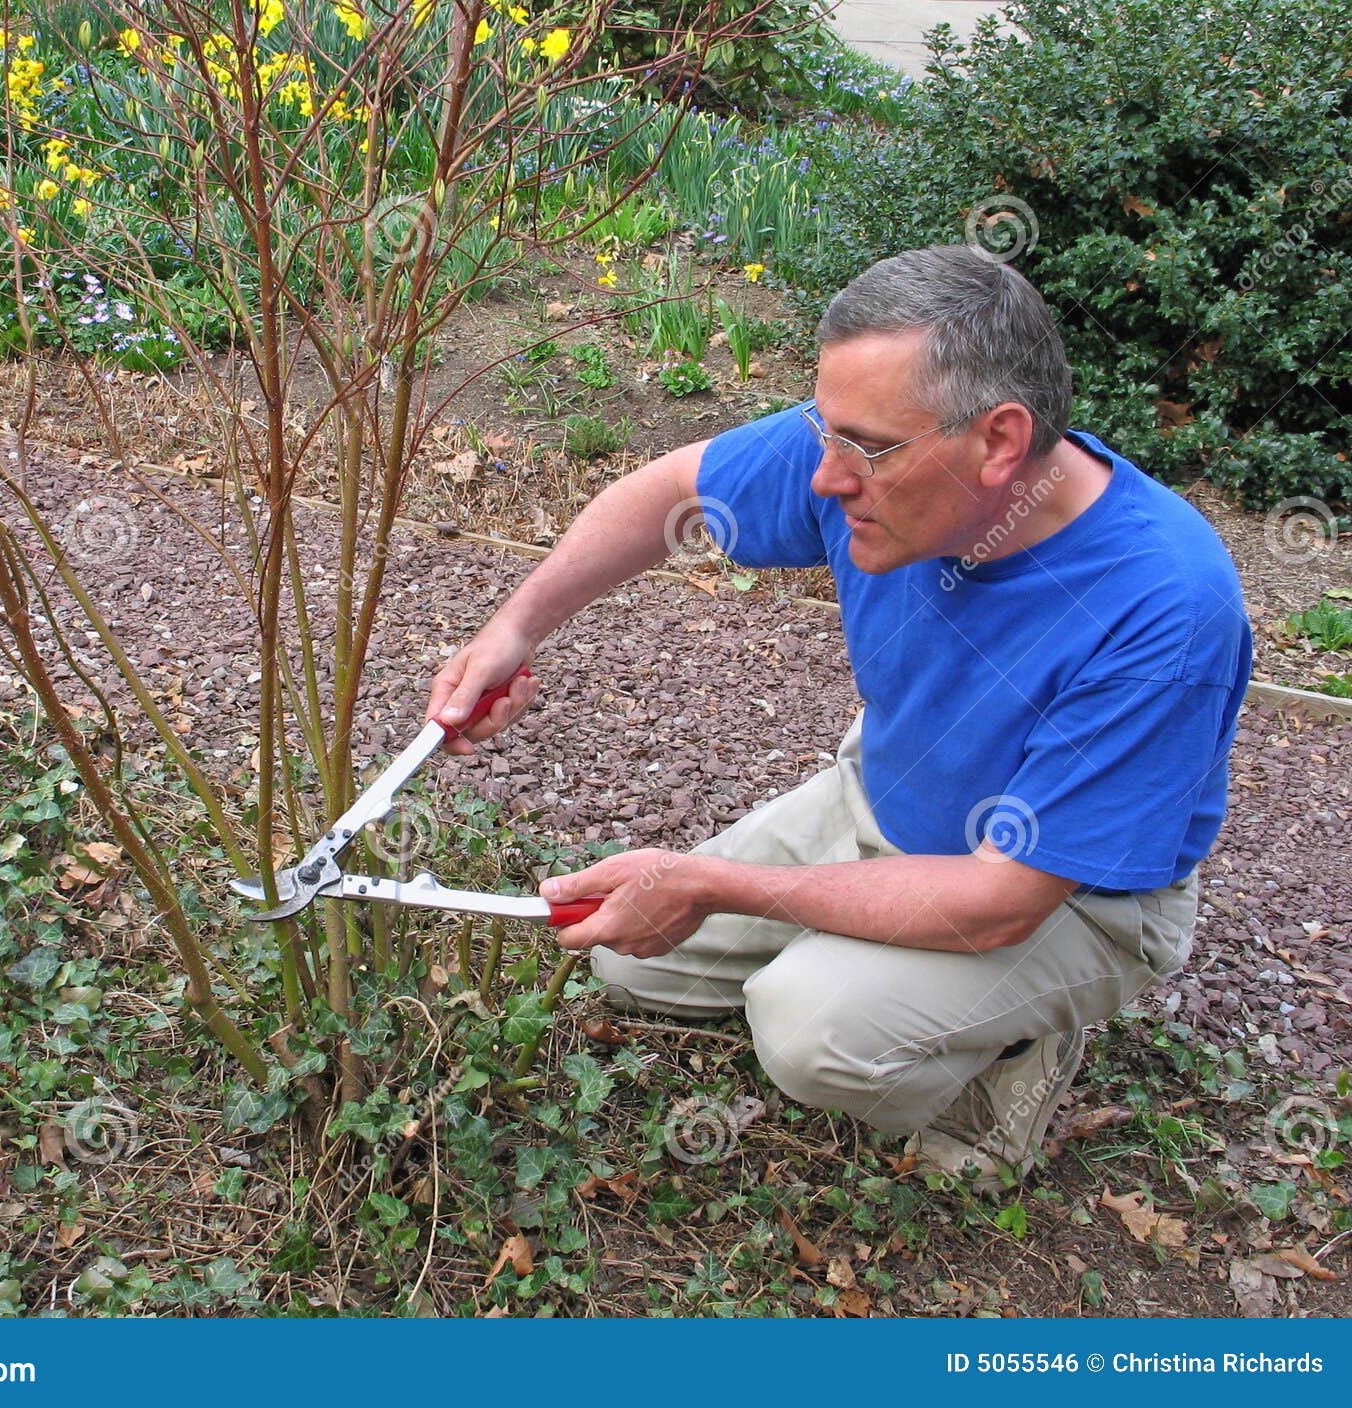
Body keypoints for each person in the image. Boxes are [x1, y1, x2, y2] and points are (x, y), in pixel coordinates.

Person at [425, 244, 1252, 1191]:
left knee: (809, 1032)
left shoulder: (1165, 608)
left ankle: (1019, 1045)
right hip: (884, 794)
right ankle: (878, 963)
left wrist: (707, 882)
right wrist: (514, 628)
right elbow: (671, 492)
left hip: (1074, 899)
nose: (825, 478)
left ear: (1000, 443)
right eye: (825, 431)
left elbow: (1000, 900)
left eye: (863, 447)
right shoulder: (869, 450)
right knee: (628, 961)